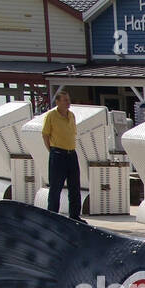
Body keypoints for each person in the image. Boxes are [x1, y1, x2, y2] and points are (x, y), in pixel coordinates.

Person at [42, 91, 82, 221]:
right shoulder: (51, 115)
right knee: (56, 187)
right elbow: (45, 135)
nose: (67, 102)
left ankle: (75, 216)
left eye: (68, 100)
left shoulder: (71, 115)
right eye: (64, 100)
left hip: (71, 153)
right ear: (57, 102)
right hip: (58, 154)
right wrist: (52, 150)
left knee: (75, 186)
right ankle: (52, 216)